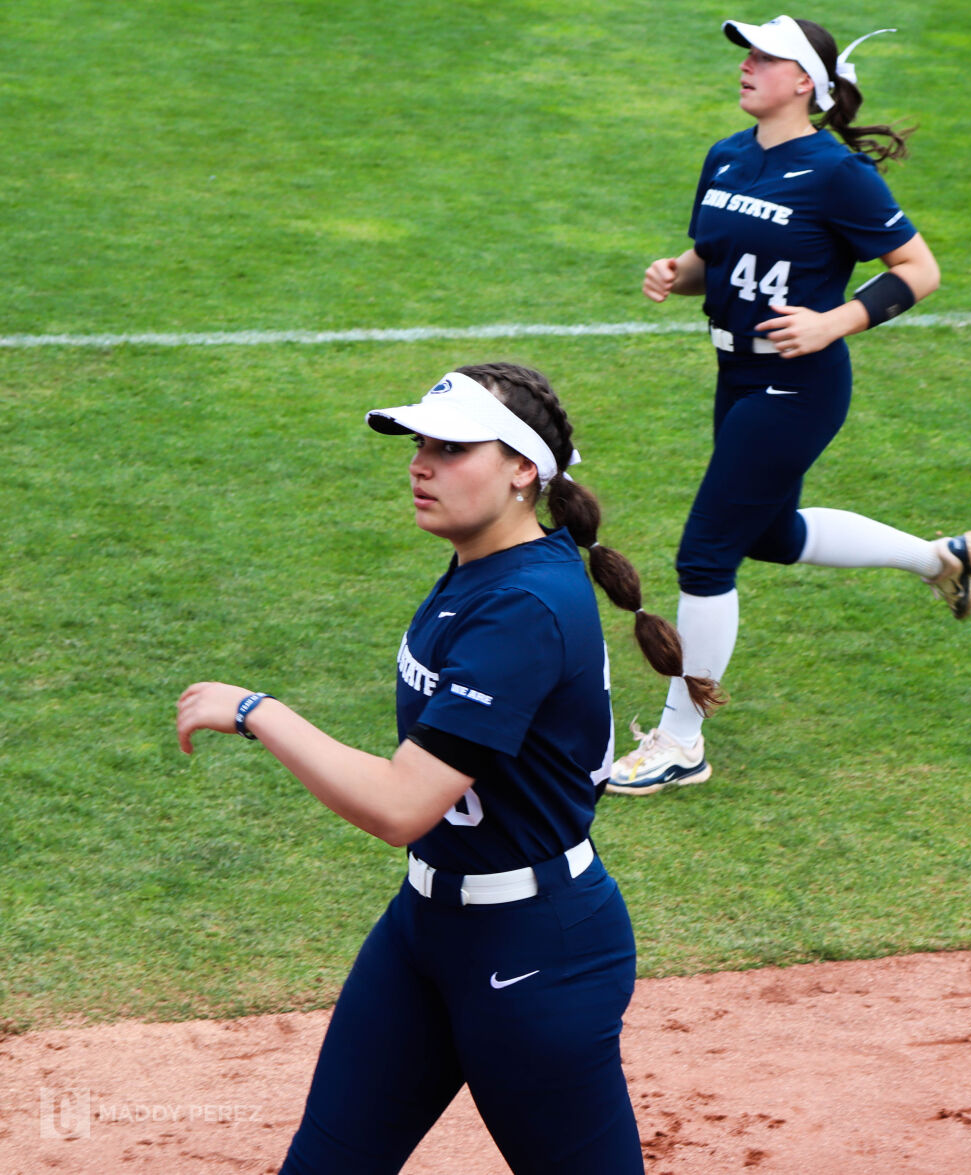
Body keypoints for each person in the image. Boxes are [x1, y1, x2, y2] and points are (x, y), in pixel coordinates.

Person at [175, 363, 713, 1174]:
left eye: (452, 447)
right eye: (421, 442)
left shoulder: (523, 607)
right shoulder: (482, 565)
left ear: (522, 469)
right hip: (427, 931)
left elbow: (402, 806)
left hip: (537, 954)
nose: (421, 463)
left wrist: (258, 712)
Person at [616, 13, 971, 796]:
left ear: (803, 85)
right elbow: (712, 257)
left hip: (798, 387)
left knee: (705, 554)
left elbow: (919, 270)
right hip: (736, 376)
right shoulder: (726, 156)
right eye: (746, 53)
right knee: (773, 535)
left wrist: (836, 320)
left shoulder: (837, 173)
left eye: (765, 56)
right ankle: (939, 558)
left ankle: (683, 738)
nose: (747, 65)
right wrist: (673, 273)